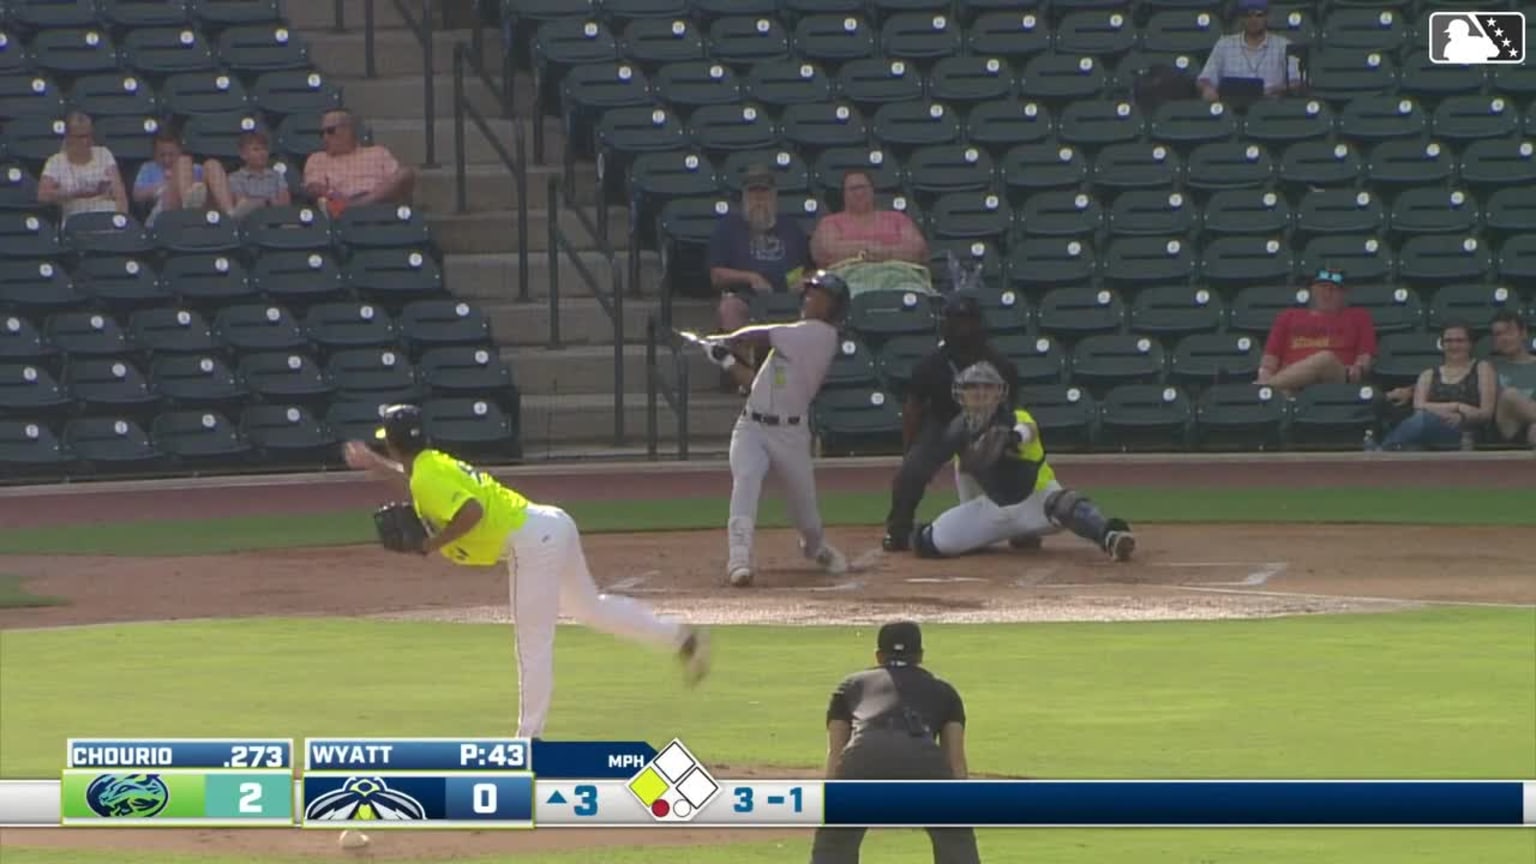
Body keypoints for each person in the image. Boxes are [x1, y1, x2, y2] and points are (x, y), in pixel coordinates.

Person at [342, 405, 710, 739]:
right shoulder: (432, 464)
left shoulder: (427, 477)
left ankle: (528, 739)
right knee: (590, 608)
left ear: (393, 445)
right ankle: (678, 637)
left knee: (532, 643)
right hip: (552, 524)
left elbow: (472, 512)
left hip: (531, 544)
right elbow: (417, 483)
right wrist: (375, 464)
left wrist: (431, 544)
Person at [696, 270, 851, 587]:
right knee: (746, 481)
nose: (810, 299)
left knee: (806, 516)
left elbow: (760, 334)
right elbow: (755, 385)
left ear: (833, 307)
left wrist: (727, 339)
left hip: (790, 435)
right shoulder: (791, 345)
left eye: (819, 296)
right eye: (810, 293)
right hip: (751, 427)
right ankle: (739, 558)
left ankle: (815, 547)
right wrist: (725, 360)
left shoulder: (820, 336)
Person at [912, 361, 1136, 562]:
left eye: (987, 387)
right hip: (994, 509)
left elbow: (1029, 429)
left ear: (999, 393)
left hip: (1037, 502)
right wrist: (969, 512)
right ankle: (1010, 535)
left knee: (1064, 503)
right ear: (961, 393)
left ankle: (1109, 535)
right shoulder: (957, 430)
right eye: (972, 387)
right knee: (928, 542)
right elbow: (964, 470)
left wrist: (1014, 437)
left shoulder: (1015, 418)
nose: (980, 393)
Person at [809, 621, 980, 864]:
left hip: (863, 756)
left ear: (878, 655)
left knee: (835, 841)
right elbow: (956, 762)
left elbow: (836, 754)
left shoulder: (849, 686)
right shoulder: (945, 691)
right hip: (924, 761)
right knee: (955, 838)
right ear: (920, 656)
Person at [883, 294, 1019, 552]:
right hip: (941, 423)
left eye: (968, 321)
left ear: (978, 323)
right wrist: (910, 450)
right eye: (957, 321)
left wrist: (1005, 444)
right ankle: (898, 529)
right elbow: (913, 408)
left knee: (1014, 472)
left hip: (986, 425)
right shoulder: (931, 364)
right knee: (911, 472)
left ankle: (1022, 527)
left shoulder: (1000, 364)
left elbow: (1013, 409)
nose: (963, 328)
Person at [708, 166, 811, 332]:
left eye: (764, 192)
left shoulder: (791, 227)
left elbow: (802, 269)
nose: (759, 198)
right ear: (744, 196)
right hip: (746, 297)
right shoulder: (728, 227)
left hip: (787, 297)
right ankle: (739, 349)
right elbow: (716, 275)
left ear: (774, 195)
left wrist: (799, 281)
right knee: (730, 308)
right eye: (753, 193)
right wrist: (751, 277)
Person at [1374, 322, 1496, 451]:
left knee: (1422, 421)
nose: (1454, 346)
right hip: (1429, 427)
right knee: (1421, 422)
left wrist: (1462, 416)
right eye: (1448, 341)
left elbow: (1486, 413)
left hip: (1465, 431)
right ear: (1441, 344)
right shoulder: (1428, 374)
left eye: (1460, 341)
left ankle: (1381, 451)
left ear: (1470, 344)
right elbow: (1418, 407)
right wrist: (1457, 406)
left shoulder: (1482, 368)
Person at [1256, 268, 1377, 396]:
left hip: (1335, 378)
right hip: (1291, 382)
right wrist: (1264, 374)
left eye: (1334, 289)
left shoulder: (1359, 317)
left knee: (1325, 359)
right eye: (1322, 287)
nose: (1327, 294)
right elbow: (1270, 360)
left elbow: (1365, 357)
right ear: (1312, 290)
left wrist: (1358, 368)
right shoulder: (1288, 316)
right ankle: (1271, 389)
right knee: (1284, 392)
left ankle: (1265, 389)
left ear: (1343, 294)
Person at [303, 109, 416, 219]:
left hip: (379, 204)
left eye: (330, 131)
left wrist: (370, 198)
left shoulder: (378, 152)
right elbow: (313, 187)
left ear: (347, 130)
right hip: (341, 209)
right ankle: (359, 207)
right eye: (321, 133)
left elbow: (397, 181)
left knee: (406, 173)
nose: (325, 137)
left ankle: (359, 205)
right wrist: (331, 193)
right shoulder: (318, 158)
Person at [810, 169, 929, 269]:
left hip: (898, 274)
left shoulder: (897, 219)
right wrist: (870, 248)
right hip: (850, 276)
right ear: (844, 193)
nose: (858, 193)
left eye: (862, 187)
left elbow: (917, 249)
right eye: (853, 189)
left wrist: (885, 253)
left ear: (872, 190)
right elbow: (829, 252)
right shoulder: (830, 222)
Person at [1197, 0, 1303, 105]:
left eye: (1259, 15)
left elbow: (1297, 81)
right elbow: (1204, 79)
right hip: (1231, 105)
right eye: (1247, 15)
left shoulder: (1284, 45)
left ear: (1267, 17)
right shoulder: (1224, 45)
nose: (1253, 20)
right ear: (1241, 18)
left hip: (1270, 105)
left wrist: (1274, 89)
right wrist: (1207, 89)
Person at [36, 111, 129, 223]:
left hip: (105, 211)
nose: (86, 141)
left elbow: (119, 193)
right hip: (76, 213)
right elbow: (42, 195)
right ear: (68, 137)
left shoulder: (104, 154)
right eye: (80, 137)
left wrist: (122, 219)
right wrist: (72, 194)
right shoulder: (56, 161)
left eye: (89, 135)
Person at [132, 127, 235, 226]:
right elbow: (137, 195)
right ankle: (188, 203)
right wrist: (161, 188)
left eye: (171, 154)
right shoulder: (149, 168)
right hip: (166, 212)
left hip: (202, 211)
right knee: (182, 162)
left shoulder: (195, 168)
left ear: (180, 150)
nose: (167, 159)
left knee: (212, 164)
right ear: (154, 153)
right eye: (162, 155)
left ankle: (231, 215)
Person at [1488, 310, 1536, 449]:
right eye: (1498, 334)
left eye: (1509, 332)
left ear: (1523, 333)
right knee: (1510, 395)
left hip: (1532, 429)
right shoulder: (1490, 368)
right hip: (1509, 426)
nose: (1504, 338)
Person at [228, 130, 292, 218]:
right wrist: (267, 201)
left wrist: (258, 202)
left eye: (264, 149)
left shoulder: (277, 176)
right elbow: (241, 206)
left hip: (275, 218)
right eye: (256, 149)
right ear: (243, 155)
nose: (262, 153)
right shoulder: (235, 178)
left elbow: (285, 205)